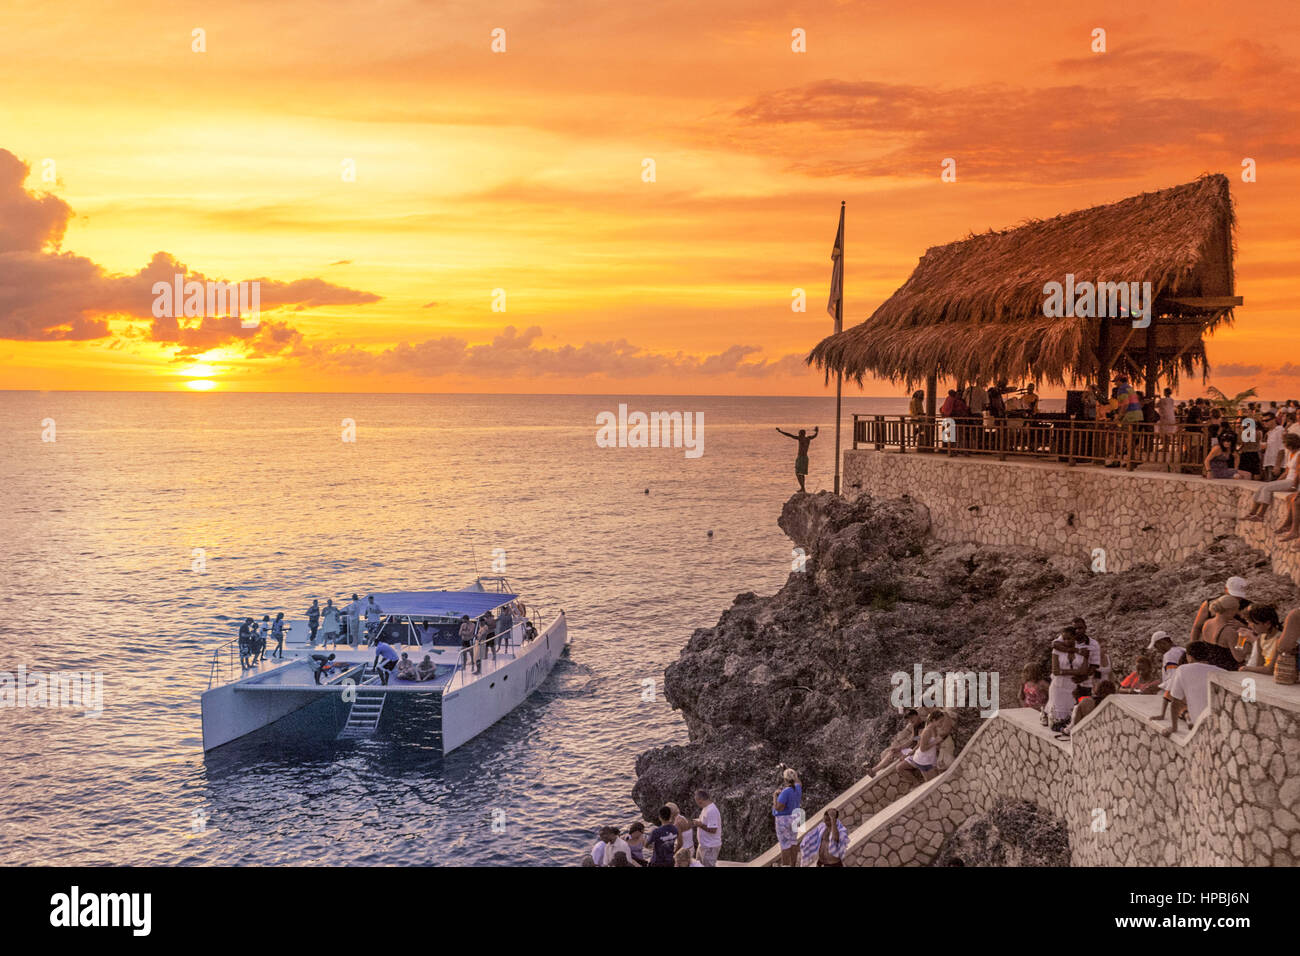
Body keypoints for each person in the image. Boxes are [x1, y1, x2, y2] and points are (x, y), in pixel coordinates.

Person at [1159, 642, 1224, 736]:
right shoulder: (1221, 671)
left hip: (1199, 725)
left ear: (1189, 657)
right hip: (1219, 724)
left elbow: (1175, 702)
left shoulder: (1182, 670)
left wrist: (1174, 727)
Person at [1247, 433, 1300, 520]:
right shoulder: (1290, 454)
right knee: (1263, 486)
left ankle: (1261, 515)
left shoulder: (1298, 454)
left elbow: (1298, 472)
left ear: (1290, 443)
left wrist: (1294, 485)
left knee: (1267, 488)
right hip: (1288, 480)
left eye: (1284, 442)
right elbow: (1286, 472)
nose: (1283, 444)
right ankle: (1252, 512)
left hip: (1293, 482)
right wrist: (1276, 482)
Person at [1048, 627, 1090, 730]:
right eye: (1064, 639)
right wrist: (1076, 672)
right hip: (1059, 686)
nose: (1066, 641)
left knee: (1073, 715)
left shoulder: (1083, 650)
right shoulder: (1056, 651)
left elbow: (1084, 671)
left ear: (1075, 637)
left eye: (1069, 638)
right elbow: (1055, 671)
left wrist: (1063, 671)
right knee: (1058, 718)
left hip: (1074, 686)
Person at [866, 708, 923, 776]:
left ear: (917, 715)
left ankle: (874, 770)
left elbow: (920, 744)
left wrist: (907, 755)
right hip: (912, 750)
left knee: (894, 756)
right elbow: (912, 740)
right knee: (893, 751)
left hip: (917, 752)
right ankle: (874, 770)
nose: (910, 721)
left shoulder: (922, 726)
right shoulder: (915, 726)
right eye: (909, 719)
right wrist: (899, 748)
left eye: (912, 718)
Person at [772, 768, 803, 867]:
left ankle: (785, 865)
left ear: (785, 780)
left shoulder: (785, 792)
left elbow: (779, 808)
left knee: (785, 844)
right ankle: (794, 864)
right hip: (796, 816)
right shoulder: (798, 788)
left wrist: (775, 796)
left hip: (784, 819)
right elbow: (798, 781)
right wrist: (788, 770)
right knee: (793, 842)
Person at [776, 427, 819, 492]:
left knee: (797, 473)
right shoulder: (808, 438)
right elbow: (815, 436)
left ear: (801, 434)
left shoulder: (800, 438)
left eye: (799, 434)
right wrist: (817, 432)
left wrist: (780, 431)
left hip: (801, 457)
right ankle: (803, 488)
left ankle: (803, 488)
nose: (798, 435)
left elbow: (789, 435)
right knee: (802, 474)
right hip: (805, 458)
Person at [692, 789, 723, 866]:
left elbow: (713, 829)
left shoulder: (711, 810)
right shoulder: (705, 808)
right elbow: (706, 822)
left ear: (700, 799)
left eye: (696, 800)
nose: (696, 802)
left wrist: (700, 825)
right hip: (704, 845)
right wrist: (698, 822)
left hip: (710, 847)